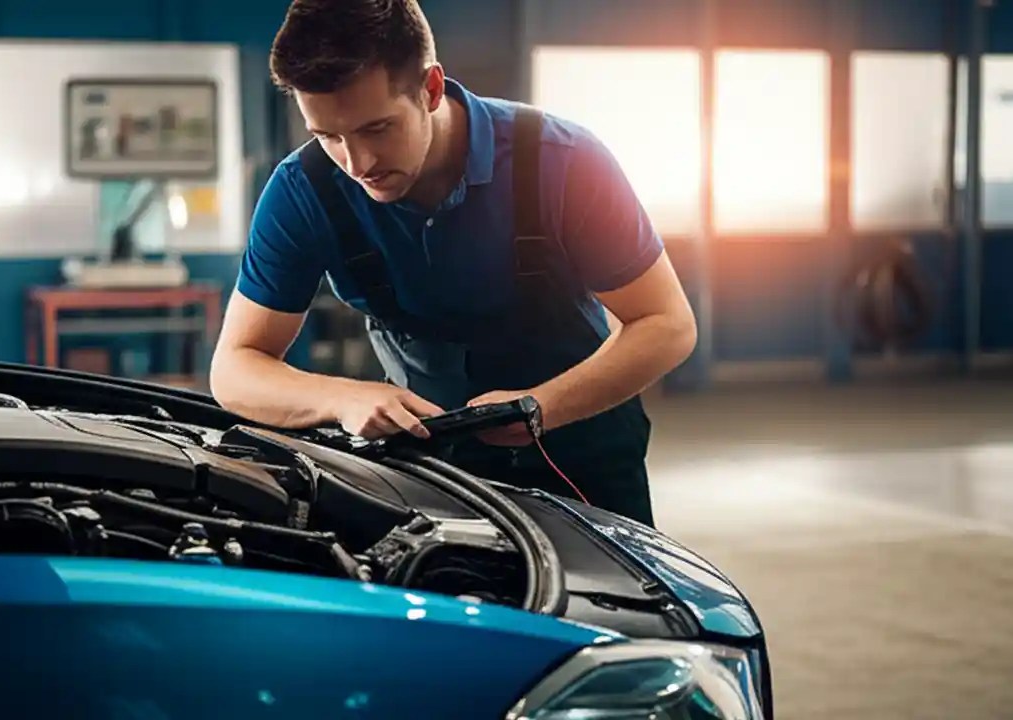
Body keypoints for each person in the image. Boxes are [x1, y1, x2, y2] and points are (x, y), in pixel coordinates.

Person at [209, 0, 696, 528]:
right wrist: (341, 397)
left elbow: (667, 325)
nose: (357, 164)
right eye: (327, 136)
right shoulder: (300, 192)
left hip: (584, 453)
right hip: (431, 469)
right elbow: (235, 369)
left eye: (377, 128)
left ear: (432, 89)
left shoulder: (564, 160)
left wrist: (543, 406)